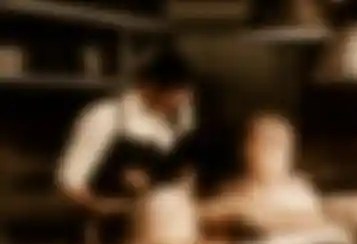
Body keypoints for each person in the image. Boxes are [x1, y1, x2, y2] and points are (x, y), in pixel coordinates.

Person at [56, 47, 199, 216]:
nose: (184, 102)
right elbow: (69, 187)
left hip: (163, 226)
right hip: (108, 229)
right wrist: (108, 208)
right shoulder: (106, 117)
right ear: (151, 87)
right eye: (179, 94)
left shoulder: (173, 125)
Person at [205, 113, 327, 234]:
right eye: (261, 144)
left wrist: (272, 220)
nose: (270, 154)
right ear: (246, 150)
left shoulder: (300, 190)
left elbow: (316, 221)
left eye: (278, 145)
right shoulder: (233, 190)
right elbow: (207, 214)